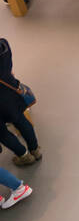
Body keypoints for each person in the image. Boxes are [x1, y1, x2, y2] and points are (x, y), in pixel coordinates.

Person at [0, 39, 42, 168]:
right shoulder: (3, 45)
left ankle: (24, 156)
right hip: (10, 93)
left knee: (2, 133)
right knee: (21, 120)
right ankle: (35, 149)